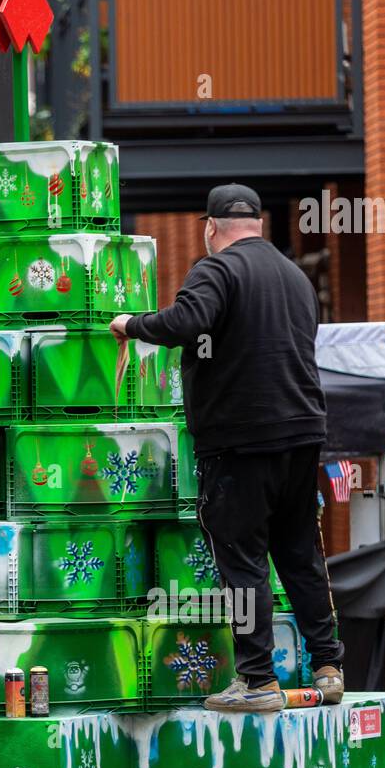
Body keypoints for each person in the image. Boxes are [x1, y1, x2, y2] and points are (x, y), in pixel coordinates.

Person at [111, 183, 344, 713]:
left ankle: (257, 679)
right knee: (301, 554)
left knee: (242, 562)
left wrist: (131, 324)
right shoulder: (295, 277)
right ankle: (328, 666)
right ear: (258, 223)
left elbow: (187, 322)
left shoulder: (216, 269)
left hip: (241, 442)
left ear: (211, 227)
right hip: (303, 434)